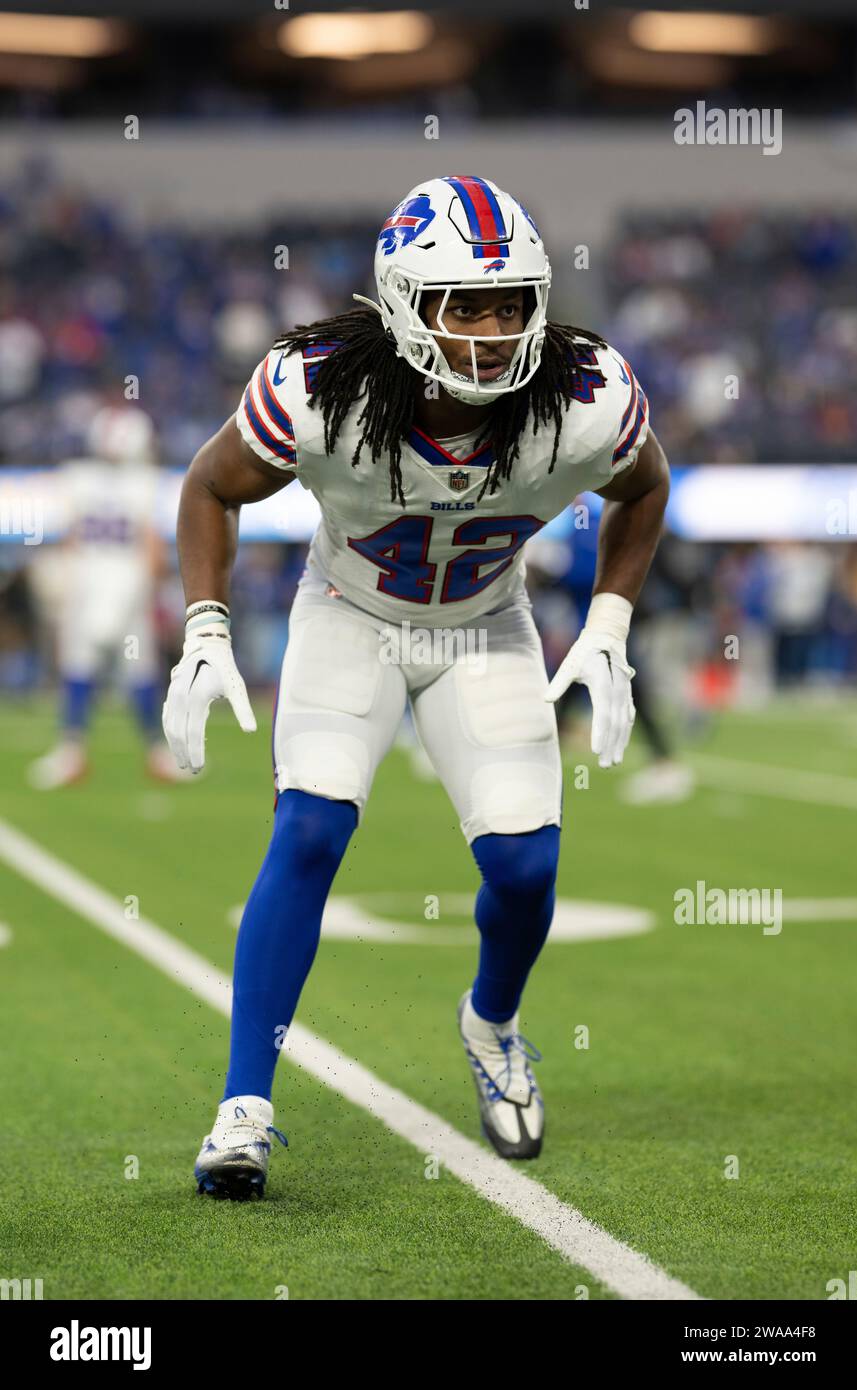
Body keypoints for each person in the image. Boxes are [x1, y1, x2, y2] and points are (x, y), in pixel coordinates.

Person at [162, 175, 669, 1198]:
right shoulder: (319, 388)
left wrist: (610, 618)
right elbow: (211, 484)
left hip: (485, 626)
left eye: (508, 303)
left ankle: (490, 1020)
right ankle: (243, 1105)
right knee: (308, 828)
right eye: (461, 305)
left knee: (525, 866)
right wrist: (205, 624)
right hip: (350, 618)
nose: (490, 331)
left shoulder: (583, 396)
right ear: (401, 303)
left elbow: (646, 484)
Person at [28, 405, 182, 789]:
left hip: (88, 583)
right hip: (127, 585)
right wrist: (154, 587)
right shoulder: (145, 482)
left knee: (81, 667)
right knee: (138, 670)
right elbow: (152, 545)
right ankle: (156, 753)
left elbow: (71, 537)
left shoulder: (78, 478)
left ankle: (72, 751)